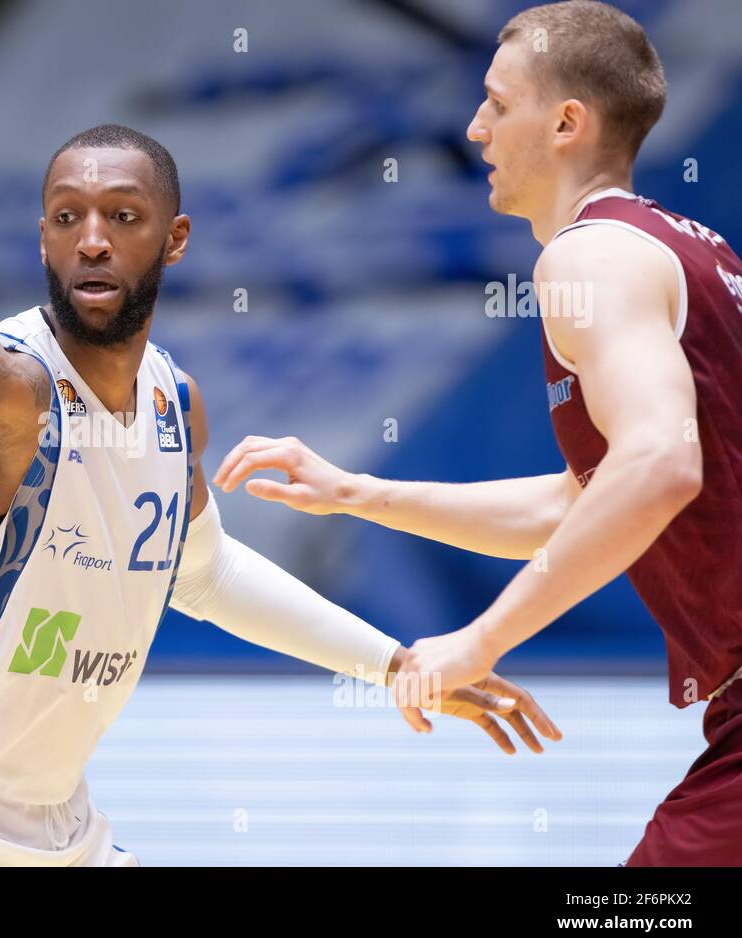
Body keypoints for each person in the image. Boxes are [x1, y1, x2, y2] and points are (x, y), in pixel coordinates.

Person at [0, 124, 558, 867]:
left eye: (122, 216)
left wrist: (393, 663)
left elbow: (209, 575)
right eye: (67, 217)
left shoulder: (172, 405)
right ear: (43, 239)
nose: (92, 238)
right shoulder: (17, 387)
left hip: (56, 821)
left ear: (175, 238)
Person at [216, 2, 742, 865]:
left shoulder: (588, 258)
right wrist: (359, 493)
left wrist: (482, 636)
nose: (475, 127)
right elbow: (590, 497)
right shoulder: (687, 250)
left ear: (568, 121)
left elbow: (659, 463)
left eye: (498, 103)